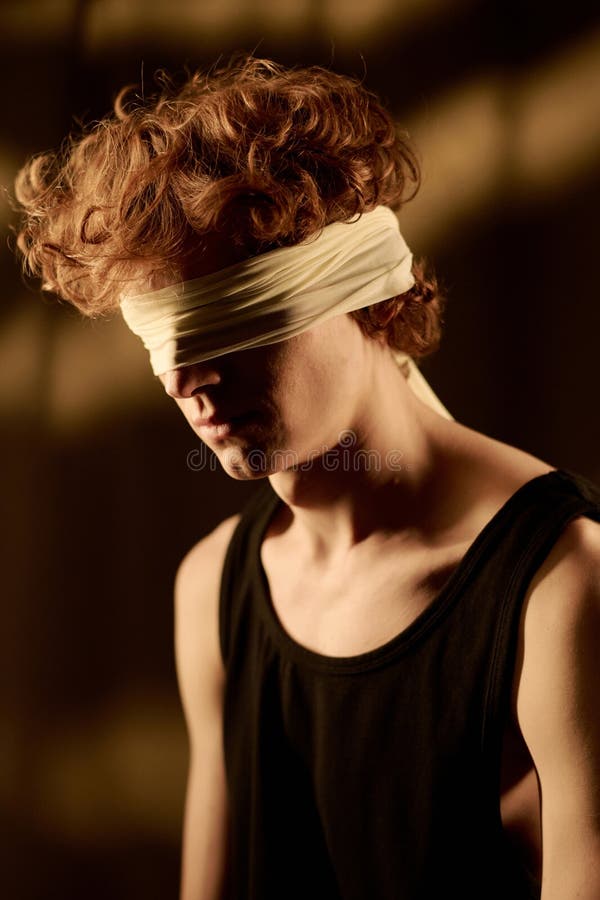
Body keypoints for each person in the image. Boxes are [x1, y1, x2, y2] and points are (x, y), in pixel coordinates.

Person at [14, 57, 600, 900]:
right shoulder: (214, 588)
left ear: (368, 295)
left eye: (236, 323)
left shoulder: (561, 588)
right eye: (160, 344)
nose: (185, 383)